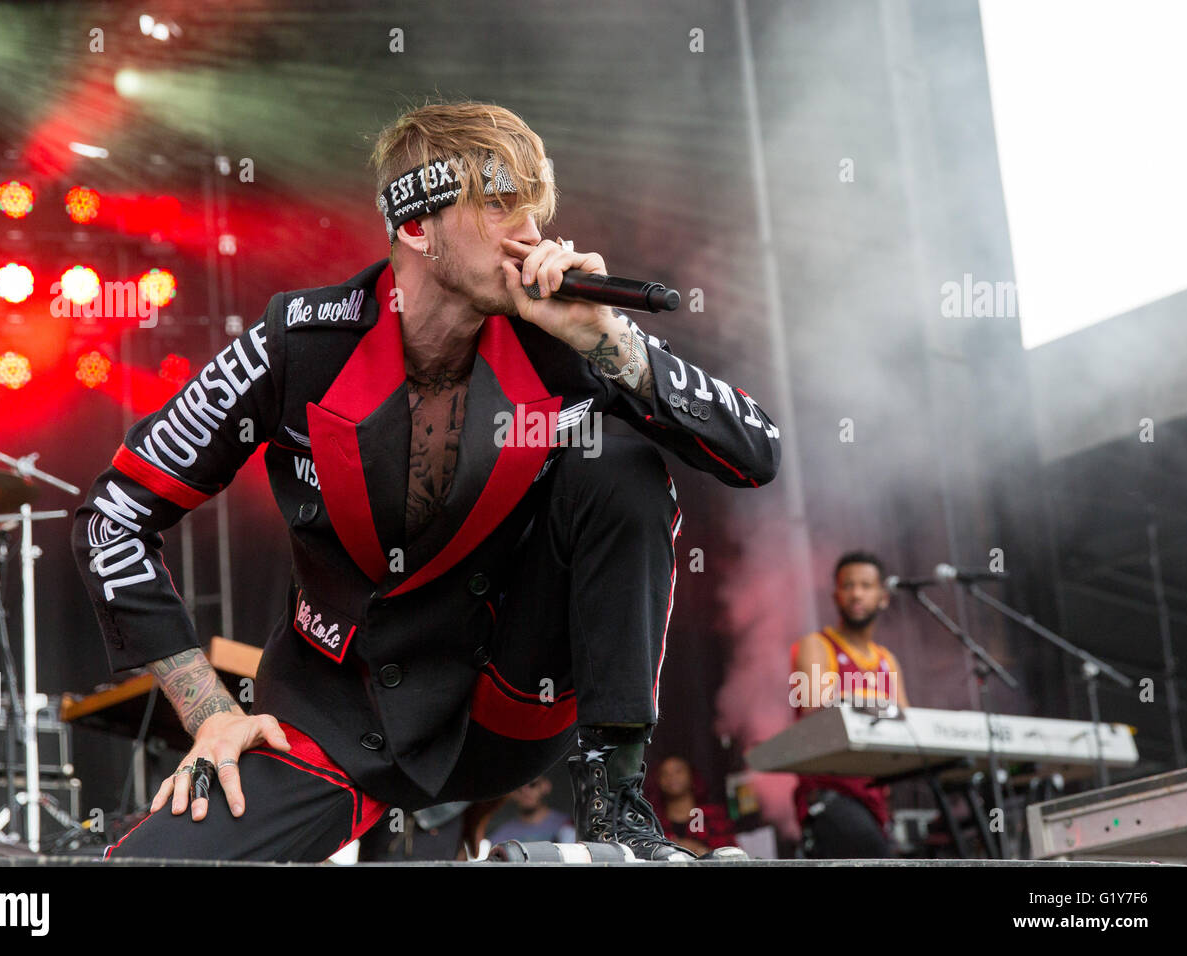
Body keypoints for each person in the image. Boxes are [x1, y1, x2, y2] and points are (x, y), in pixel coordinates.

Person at [74, 100, 781, 863]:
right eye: (500, 207)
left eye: (534, 211)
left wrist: (615, 346)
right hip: (336, 715)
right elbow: (113, 516)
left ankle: (617, 805)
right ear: (416, 226)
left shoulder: (567, 341)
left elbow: (756, 450)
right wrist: (210, 711)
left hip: (509, 703)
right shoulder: (301, 343)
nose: (532, 237)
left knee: (616, 462)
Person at [789, 550, 909, 858]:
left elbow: (907, 728)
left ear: (883, 597)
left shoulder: (887, 659)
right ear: (836, 595)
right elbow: (814, 714)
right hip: (831, 795)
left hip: (876, 799)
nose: (856, 593)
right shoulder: (817, 646)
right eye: (848, 585)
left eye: (866, 586)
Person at [646, 755, 739, 857]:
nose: (671, 777)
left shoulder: (714, 815)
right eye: (664, 773)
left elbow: (733, 856)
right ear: (658, 781)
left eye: (678, 771)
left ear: (691, 775)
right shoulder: (651, 822)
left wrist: (700, 851)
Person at [485, 777, 575, 846]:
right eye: (519, 787)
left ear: (545, 786)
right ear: (511, 793)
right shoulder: (502, 836)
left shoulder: (567, 825)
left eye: (532, 784)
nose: (526, 792)